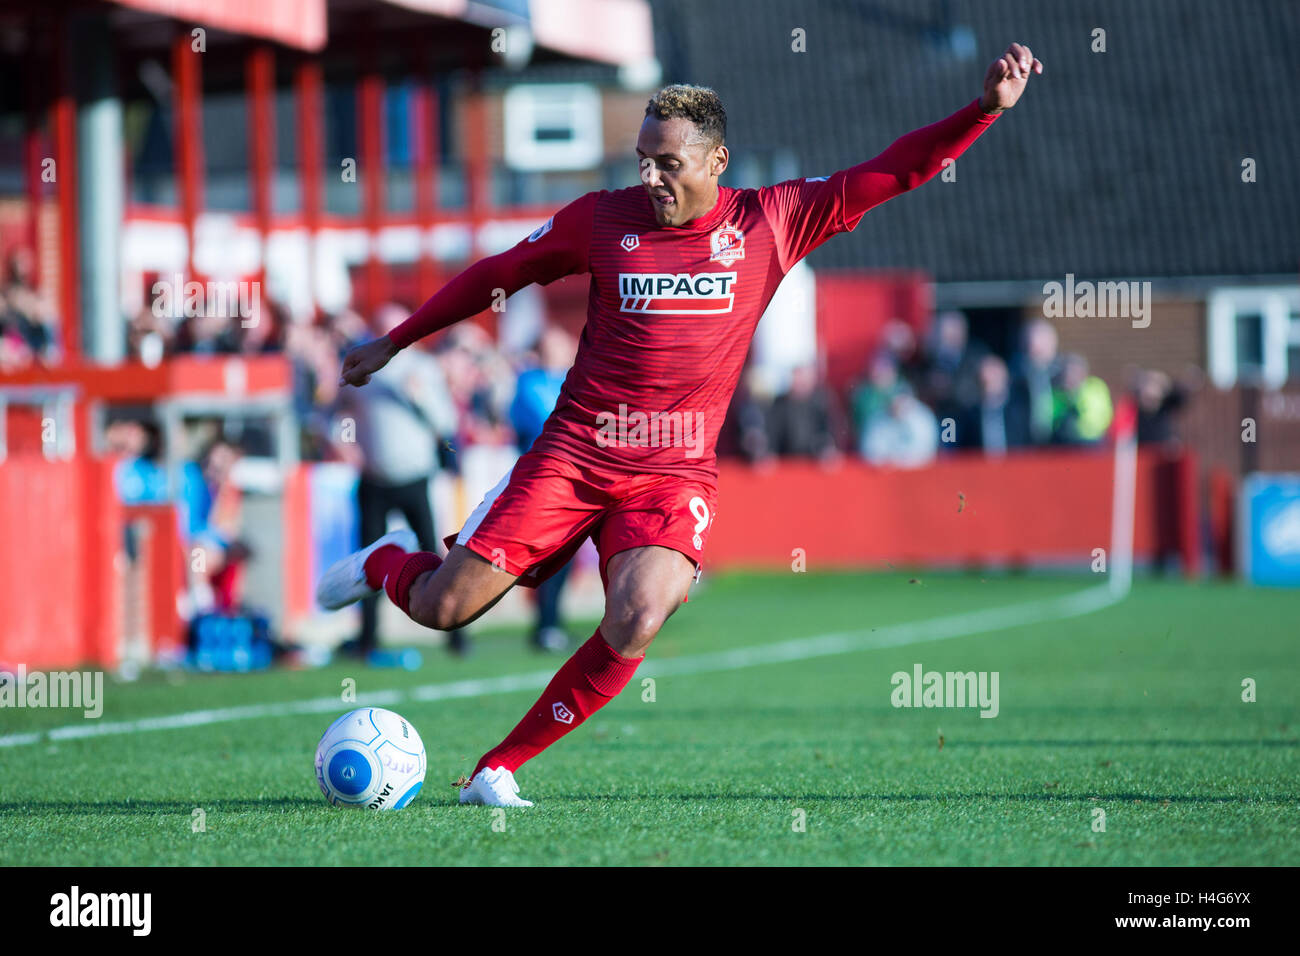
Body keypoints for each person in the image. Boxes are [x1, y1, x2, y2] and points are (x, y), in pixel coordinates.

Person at [316, 43, 1044, 807]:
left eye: (668, 163)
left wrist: (984, 110)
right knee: (442, 608)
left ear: (717, 160)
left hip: (673, 472)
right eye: (642, 160)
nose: (650, 178)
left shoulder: (774, 220)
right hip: (573, 455)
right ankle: (385, 564)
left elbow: (895, 169)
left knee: (636, 617)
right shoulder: (601, 220)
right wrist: (395, 342)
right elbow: (500, 273)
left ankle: (498, 768)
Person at [334, 303, 461, 665]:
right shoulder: (361, 364)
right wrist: (341, 441)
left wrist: (419, 398)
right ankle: (368, 638)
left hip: (413, 477)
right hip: (373, 477)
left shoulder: (422, 367)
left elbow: (446, 423)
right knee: (367, 561)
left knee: (434, 557)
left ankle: (455, 631)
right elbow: (338, 409)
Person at [509, 325, 581, 653]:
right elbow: (546, 421)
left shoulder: (575, 379)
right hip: (542, 481)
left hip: (573, 481)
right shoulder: (530, 381)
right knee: (548, 556)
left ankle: (552, 624)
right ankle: (545, 626)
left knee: (564, 558)